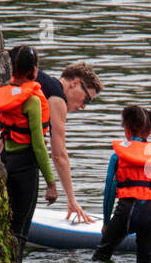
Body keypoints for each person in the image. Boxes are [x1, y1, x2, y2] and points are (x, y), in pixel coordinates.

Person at [0, 45, 56, 263]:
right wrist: (51, 183)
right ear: (33, 71)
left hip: (6, 161)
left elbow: (4, 132)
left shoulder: (6, 95)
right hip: (26, 168)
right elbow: (38, 146)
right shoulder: (32, 100)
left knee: (6, 224)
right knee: (21, 231)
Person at [93, 106, 151, 263]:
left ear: (126, 130)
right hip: (149, 212)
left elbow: (110, 191)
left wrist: (106, 223)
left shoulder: (118, 156)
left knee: (101, 256)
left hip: (126, 211)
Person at [34, 60, 103, 225]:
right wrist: (72, 200)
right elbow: (59, 154)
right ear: (75, 83)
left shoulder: (45, 86)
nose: (84, 106)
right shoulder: (57, 96)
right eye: (87, 99)